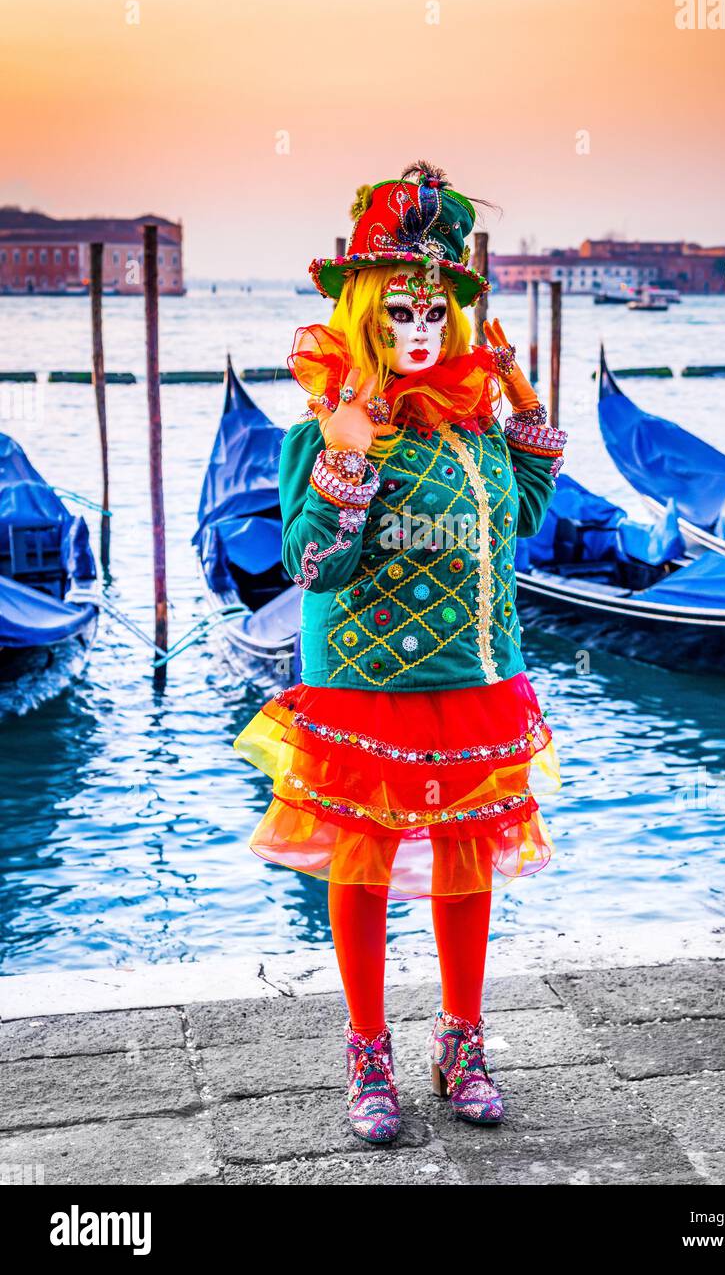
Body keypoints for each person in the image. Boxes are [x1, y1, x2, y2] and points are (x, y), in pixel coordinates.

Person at [233, 161, 567, 1143]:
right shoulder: (325, 433)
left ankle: (461, 1041)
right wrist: (345, 457)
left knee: (470, 862)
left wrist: (521, 404)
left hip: (476, 679)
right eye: (401, 314)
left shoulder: (478, 437)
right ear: (369, 318)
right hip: (364, 690)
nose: (421, 332)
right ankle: (369, 1052)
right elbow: (314, 568)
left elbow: (525, 526)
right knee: (364, 863)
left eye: (437, 314)